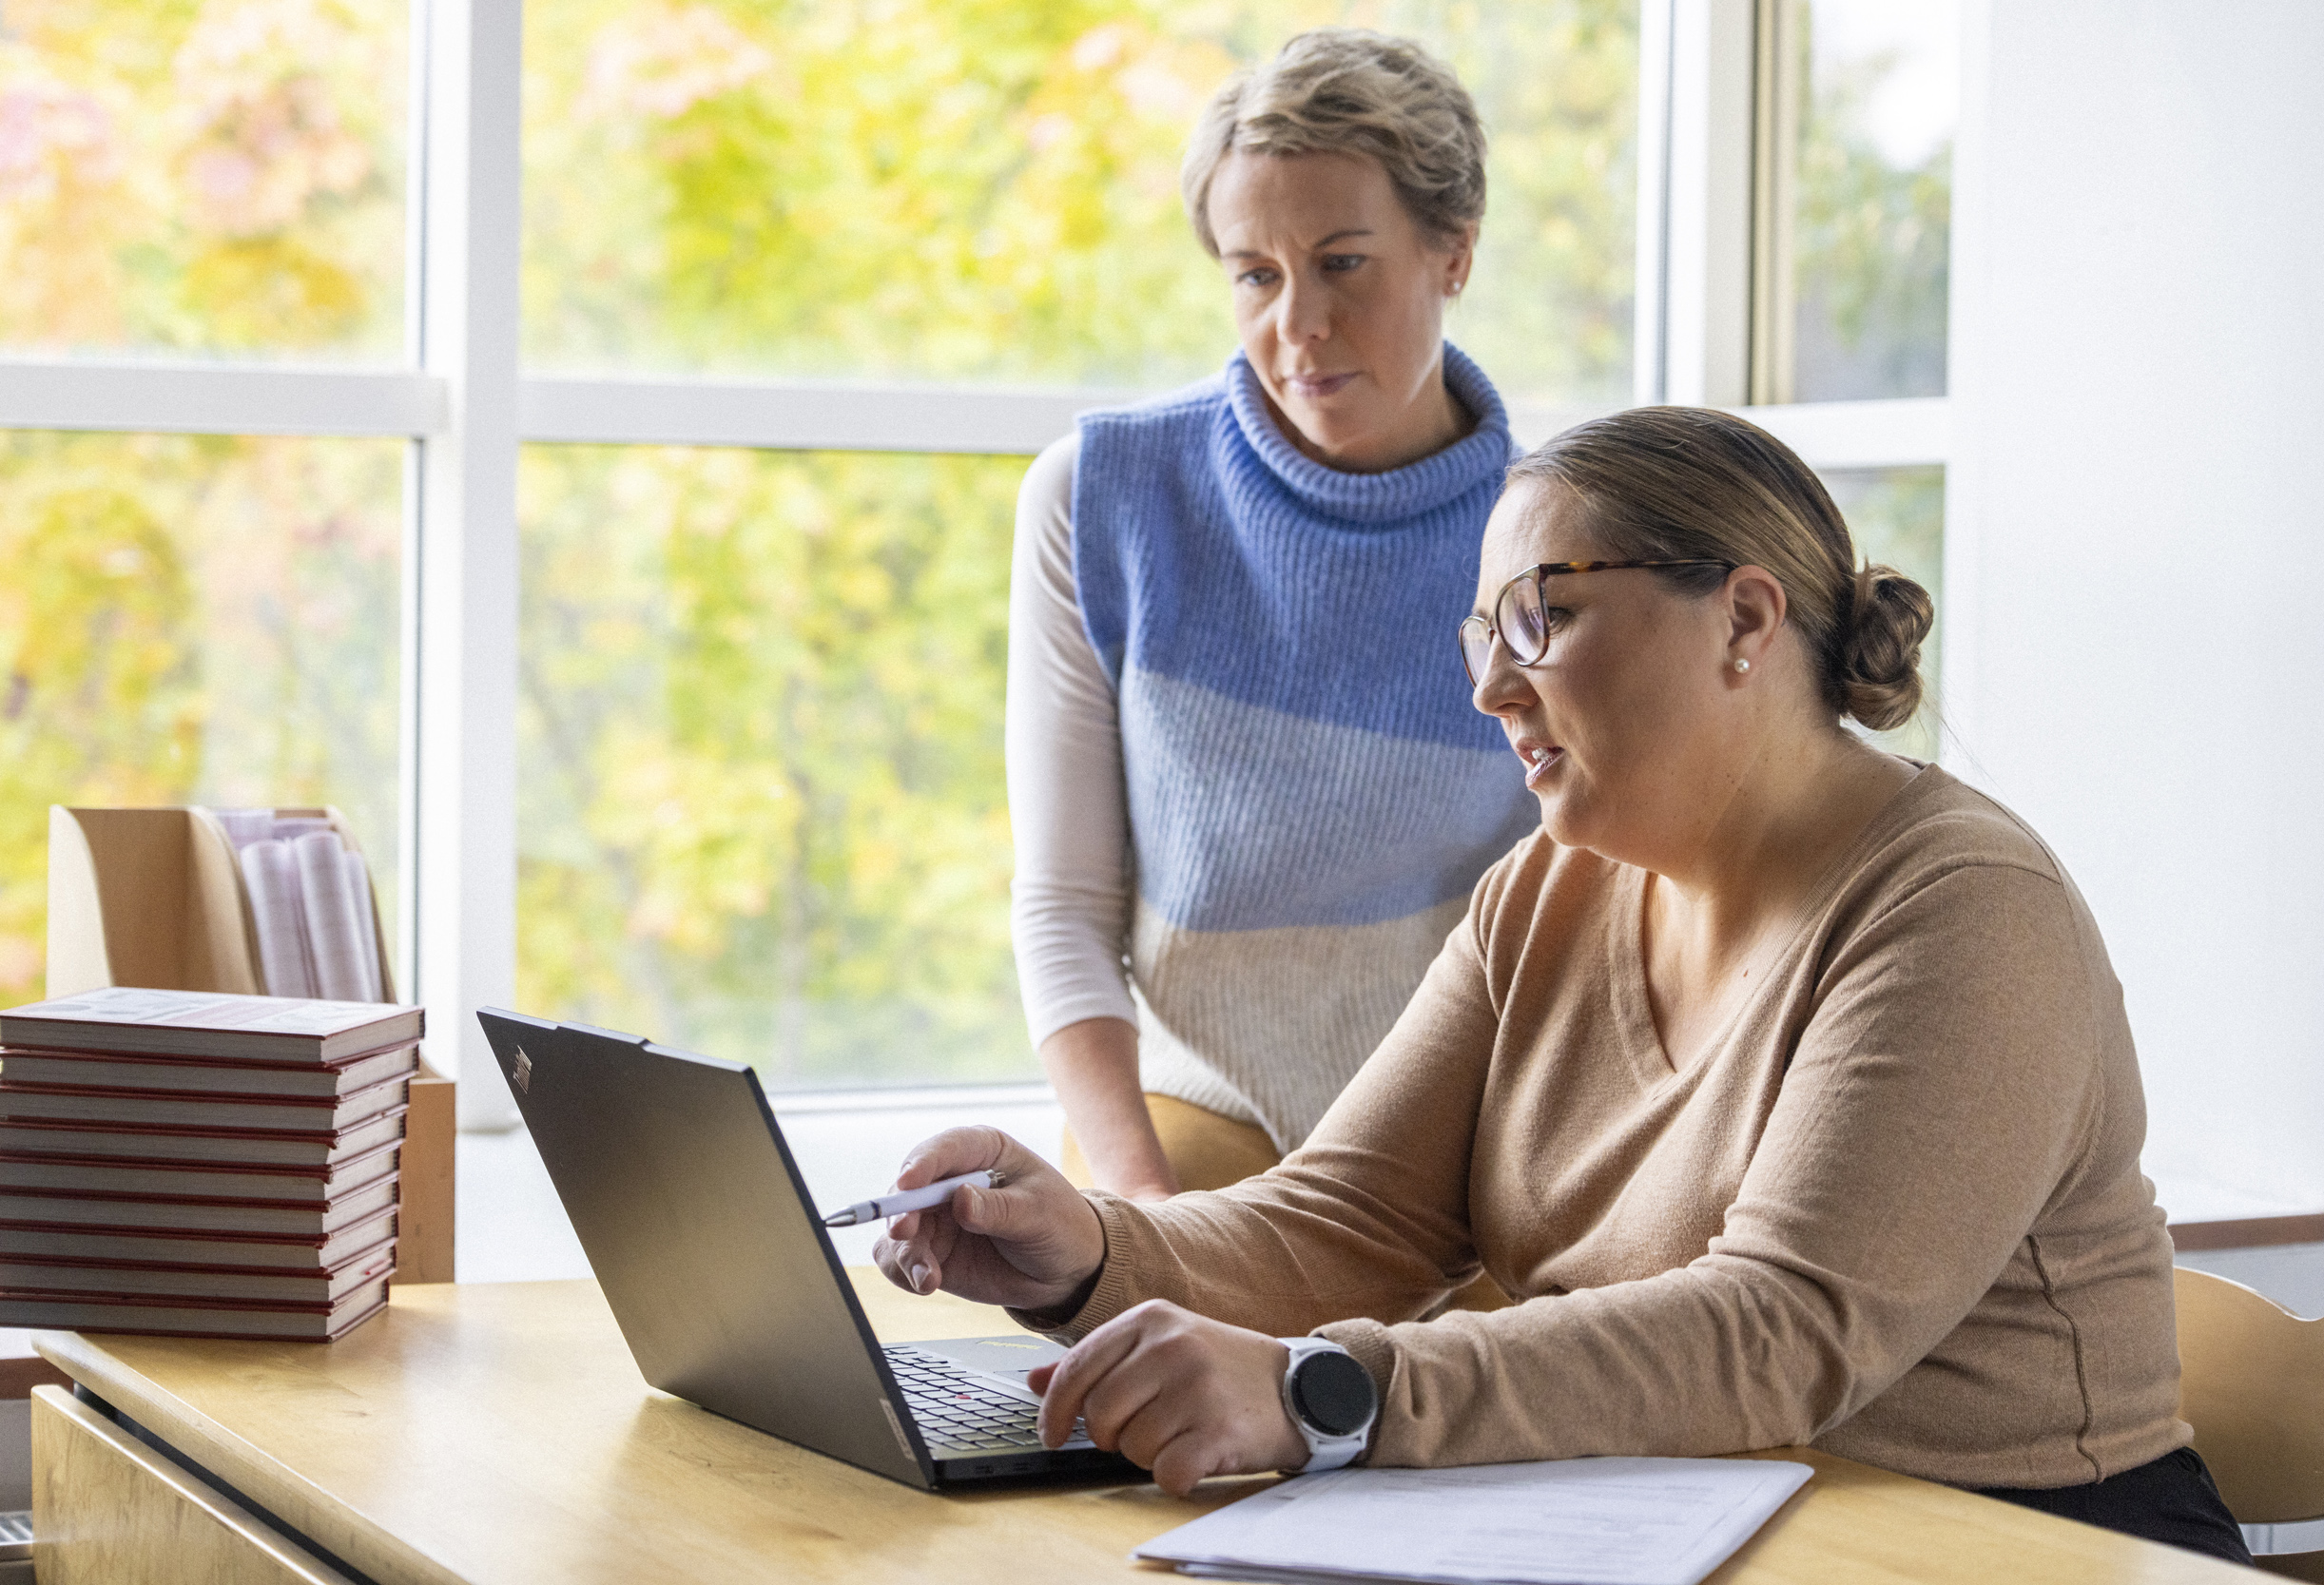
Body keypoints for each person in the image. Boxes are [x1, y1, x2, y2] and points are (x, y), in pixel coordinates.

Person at [882, 407, 2252, 1564]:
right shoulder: (1547, 890)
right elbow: (1350, 1217)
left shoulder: (1961, 906)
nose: (1490, 688)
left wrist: (1321, 1389)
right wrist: (1091, 1248)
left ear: (1744, 618)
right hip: (1687, 1524)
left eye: (1541, 617)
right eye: (1481, 634)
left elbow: (1775, 1333)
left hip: (2009, 1543)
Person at [1009, 28, 1539, 1203]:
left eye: (1342, 263)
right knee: (1146, 1299)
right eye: (1255, 274)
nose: (1299, 323)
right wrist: (1142, 1211)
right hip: (1196, 1115)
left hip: (1466, 1129)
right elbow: (1063, 907)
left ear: (1452, 251)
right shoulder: (1099, 501)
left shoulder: (1553, 539)